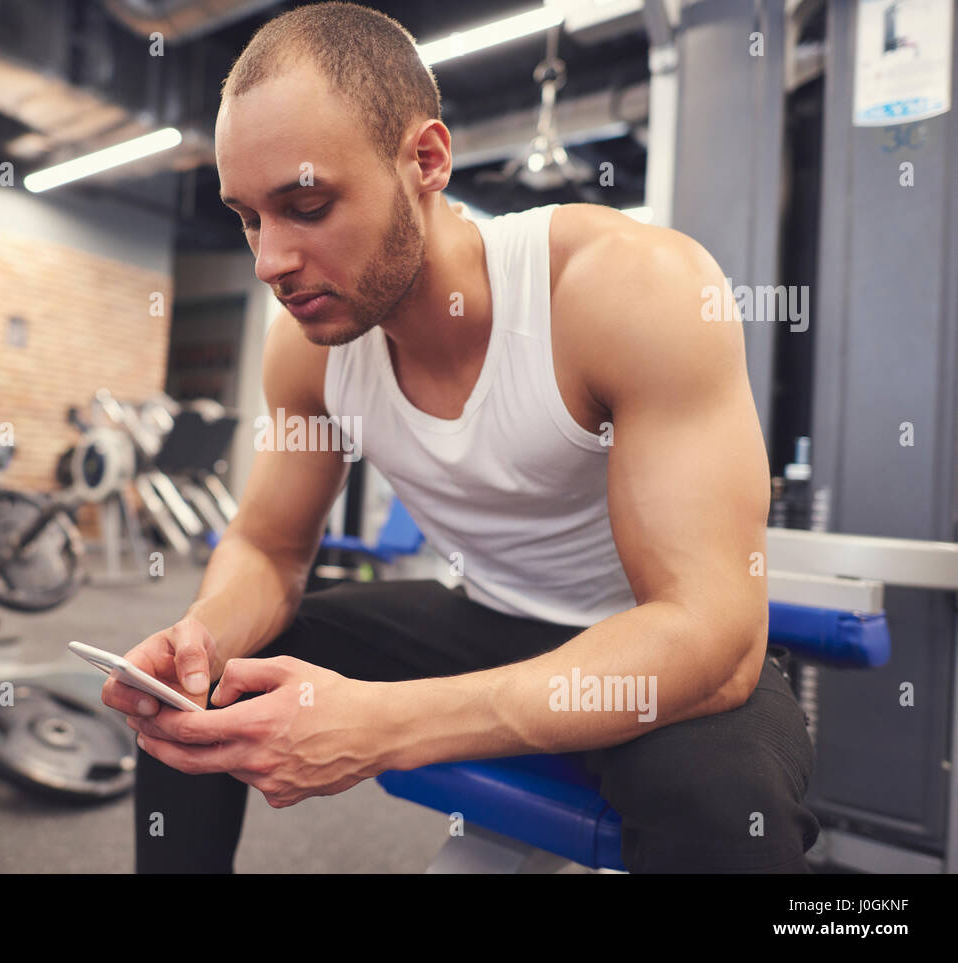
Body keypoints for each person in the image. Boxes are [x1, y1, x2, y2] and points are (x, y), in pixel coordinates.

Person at [102, 1, 818, 873]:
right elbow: (267, 545)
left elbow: (713, 630)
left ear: (426, 160)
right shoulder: (306, 350)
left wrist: (384, 726)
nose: (270, 261)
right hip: (485, 617)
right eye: (251, 217)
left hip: (650, 640)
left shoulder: (622, 289)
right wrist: (204, 635)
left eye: (307, 203)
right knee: (189, 695)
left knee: (724, 809)